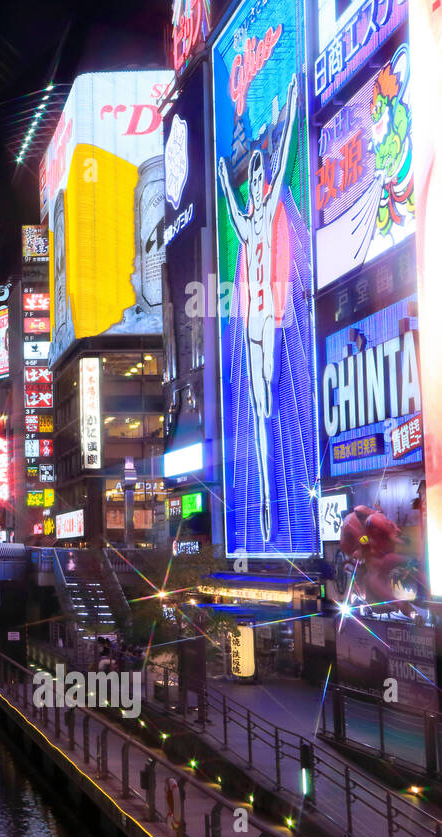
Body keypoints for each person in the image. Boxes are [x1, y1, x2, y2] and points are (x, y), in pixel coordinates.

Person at [216, 74, 301, 543]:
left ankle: (274, 500)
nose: (254, 182)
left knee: (267, 399)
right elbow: (229, 204)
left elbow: (286, 152)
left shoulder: (266, 213)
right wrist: (219, 175)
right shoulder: (248, 222)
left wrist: (290, 103)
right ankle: (268, 497)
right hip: (251, 318)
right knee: (258, 400)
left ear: (263, 180)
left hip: (269, 314)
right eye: (249, 177)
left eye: (256, 175)